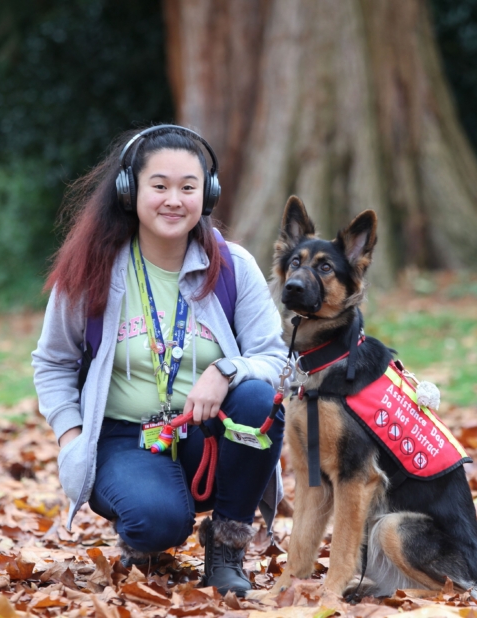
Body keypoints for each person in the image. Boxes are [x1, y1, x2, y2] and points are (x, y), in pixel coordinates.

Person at [31, 125, 287, 597]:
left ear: (206, 195)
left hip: (209, 434)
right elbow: (52, 362)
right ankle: (148, 531)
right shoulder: (91, 270)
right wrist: (72, 437)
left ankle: (226, 551)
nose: (174, 199)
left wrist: (225, 370)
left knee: (257, 398)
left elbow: (274, 358)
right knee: (157, 523)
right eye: (160, 185)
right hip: (124, 439)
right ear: (130, 191)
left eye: (188, 187)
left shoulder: (233, 267)